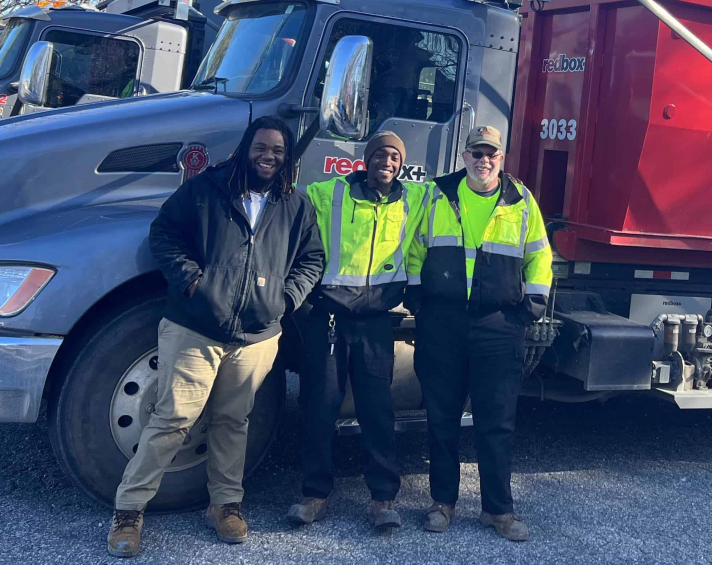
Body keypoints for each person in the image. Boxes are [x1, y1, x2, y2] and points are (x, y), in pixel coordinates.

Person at [107, 117, 325, 558]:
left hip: (258, 336)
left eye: (278, 151)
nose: (269, 156)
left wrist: (285, 301)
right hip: (196, 327)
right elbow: (164, 234)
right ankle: (128, 511)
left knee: (232, 422)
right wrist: (193, 284)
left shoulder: (295, 205)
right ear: (247, 148)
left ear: (287, 158)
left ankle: (225, 505)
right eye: (262, 147)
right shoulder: (207, 189)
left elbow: (312, 258)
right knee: (172, 420)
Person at [408, 125, 553, 542]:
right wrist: (418, 302)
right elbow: (415, 248)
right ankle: (442, 503)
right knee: (442, 419)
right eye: (476, 153)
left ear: (501, 158)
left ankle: (498, 510)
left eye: (491, 154)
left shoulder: (521, 200)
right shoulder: (437, 194)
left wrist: (530, 311)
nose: (483, 160)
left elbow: (539, 257)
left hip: (498, 326)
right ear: (465, 155)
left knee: (497, 422)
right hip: (443, 324)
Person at [287, 131, 426, 534]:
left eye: (396, 158)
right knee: (320, 407)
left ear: (402, 165)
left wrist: (505, 180)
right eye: (381, 155)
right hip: (328, 319)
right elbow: (288, 194)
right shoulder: (330, 192)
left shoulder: (414, 199)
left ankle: (383, 499)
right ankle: (314, 495)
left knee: (377, 411)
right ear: (366, 160)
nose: (388, 162)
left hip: (377, 323)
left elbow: (453, 187)